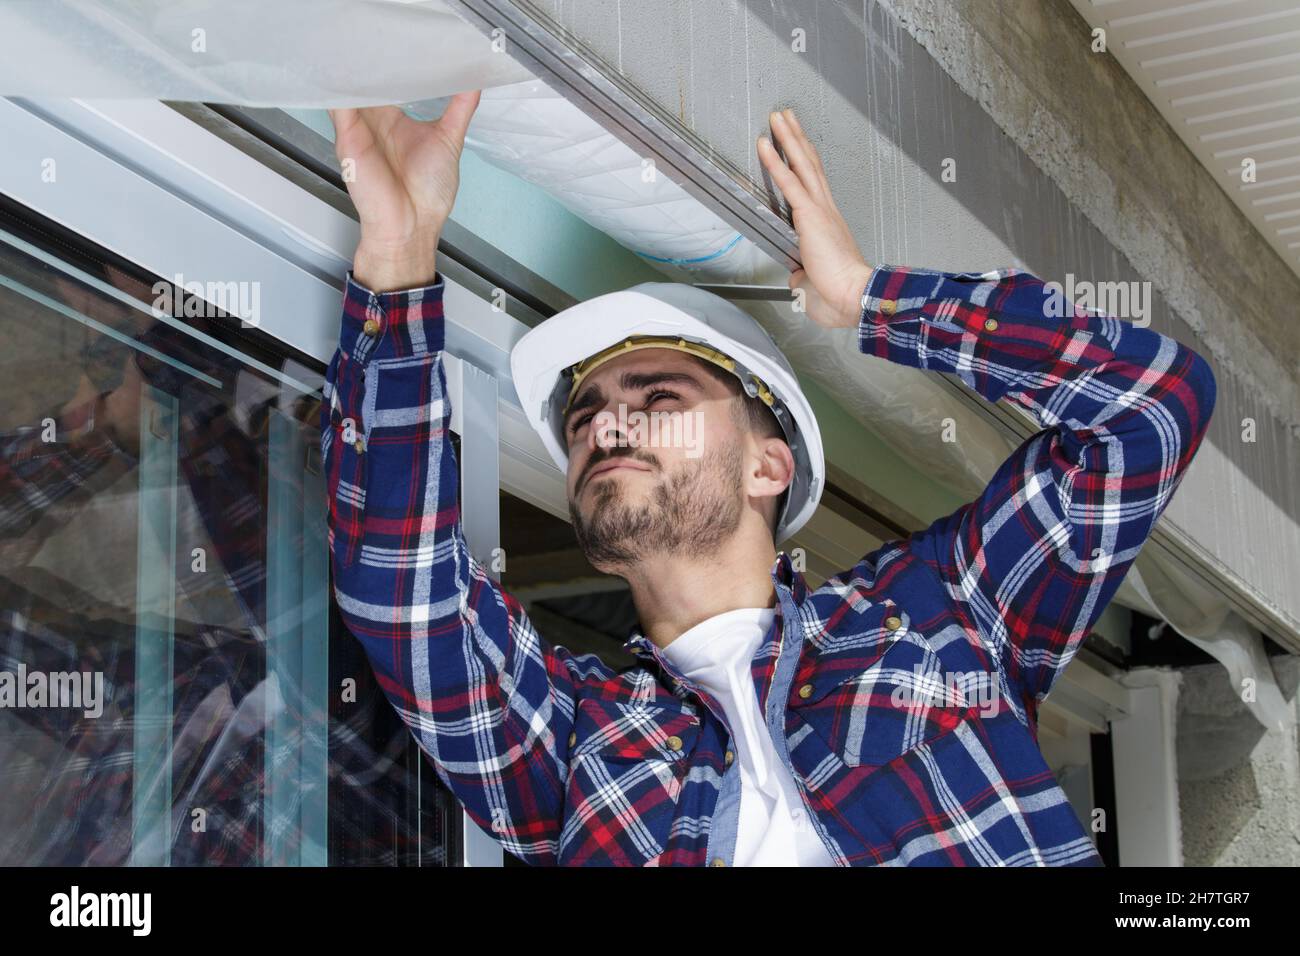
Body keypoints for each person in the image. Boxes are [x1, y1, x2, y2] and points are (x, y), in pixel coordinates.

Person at [322, 92, 1216, 866]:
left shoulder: (939, 617)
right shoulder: (578, 739)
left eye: (658, 397)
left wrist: (870, 299)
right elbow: (402, 592)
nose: (603, 424)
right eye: (585, 415)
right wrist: (399, 259)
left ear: (768, 464)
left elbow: (1150, 407)